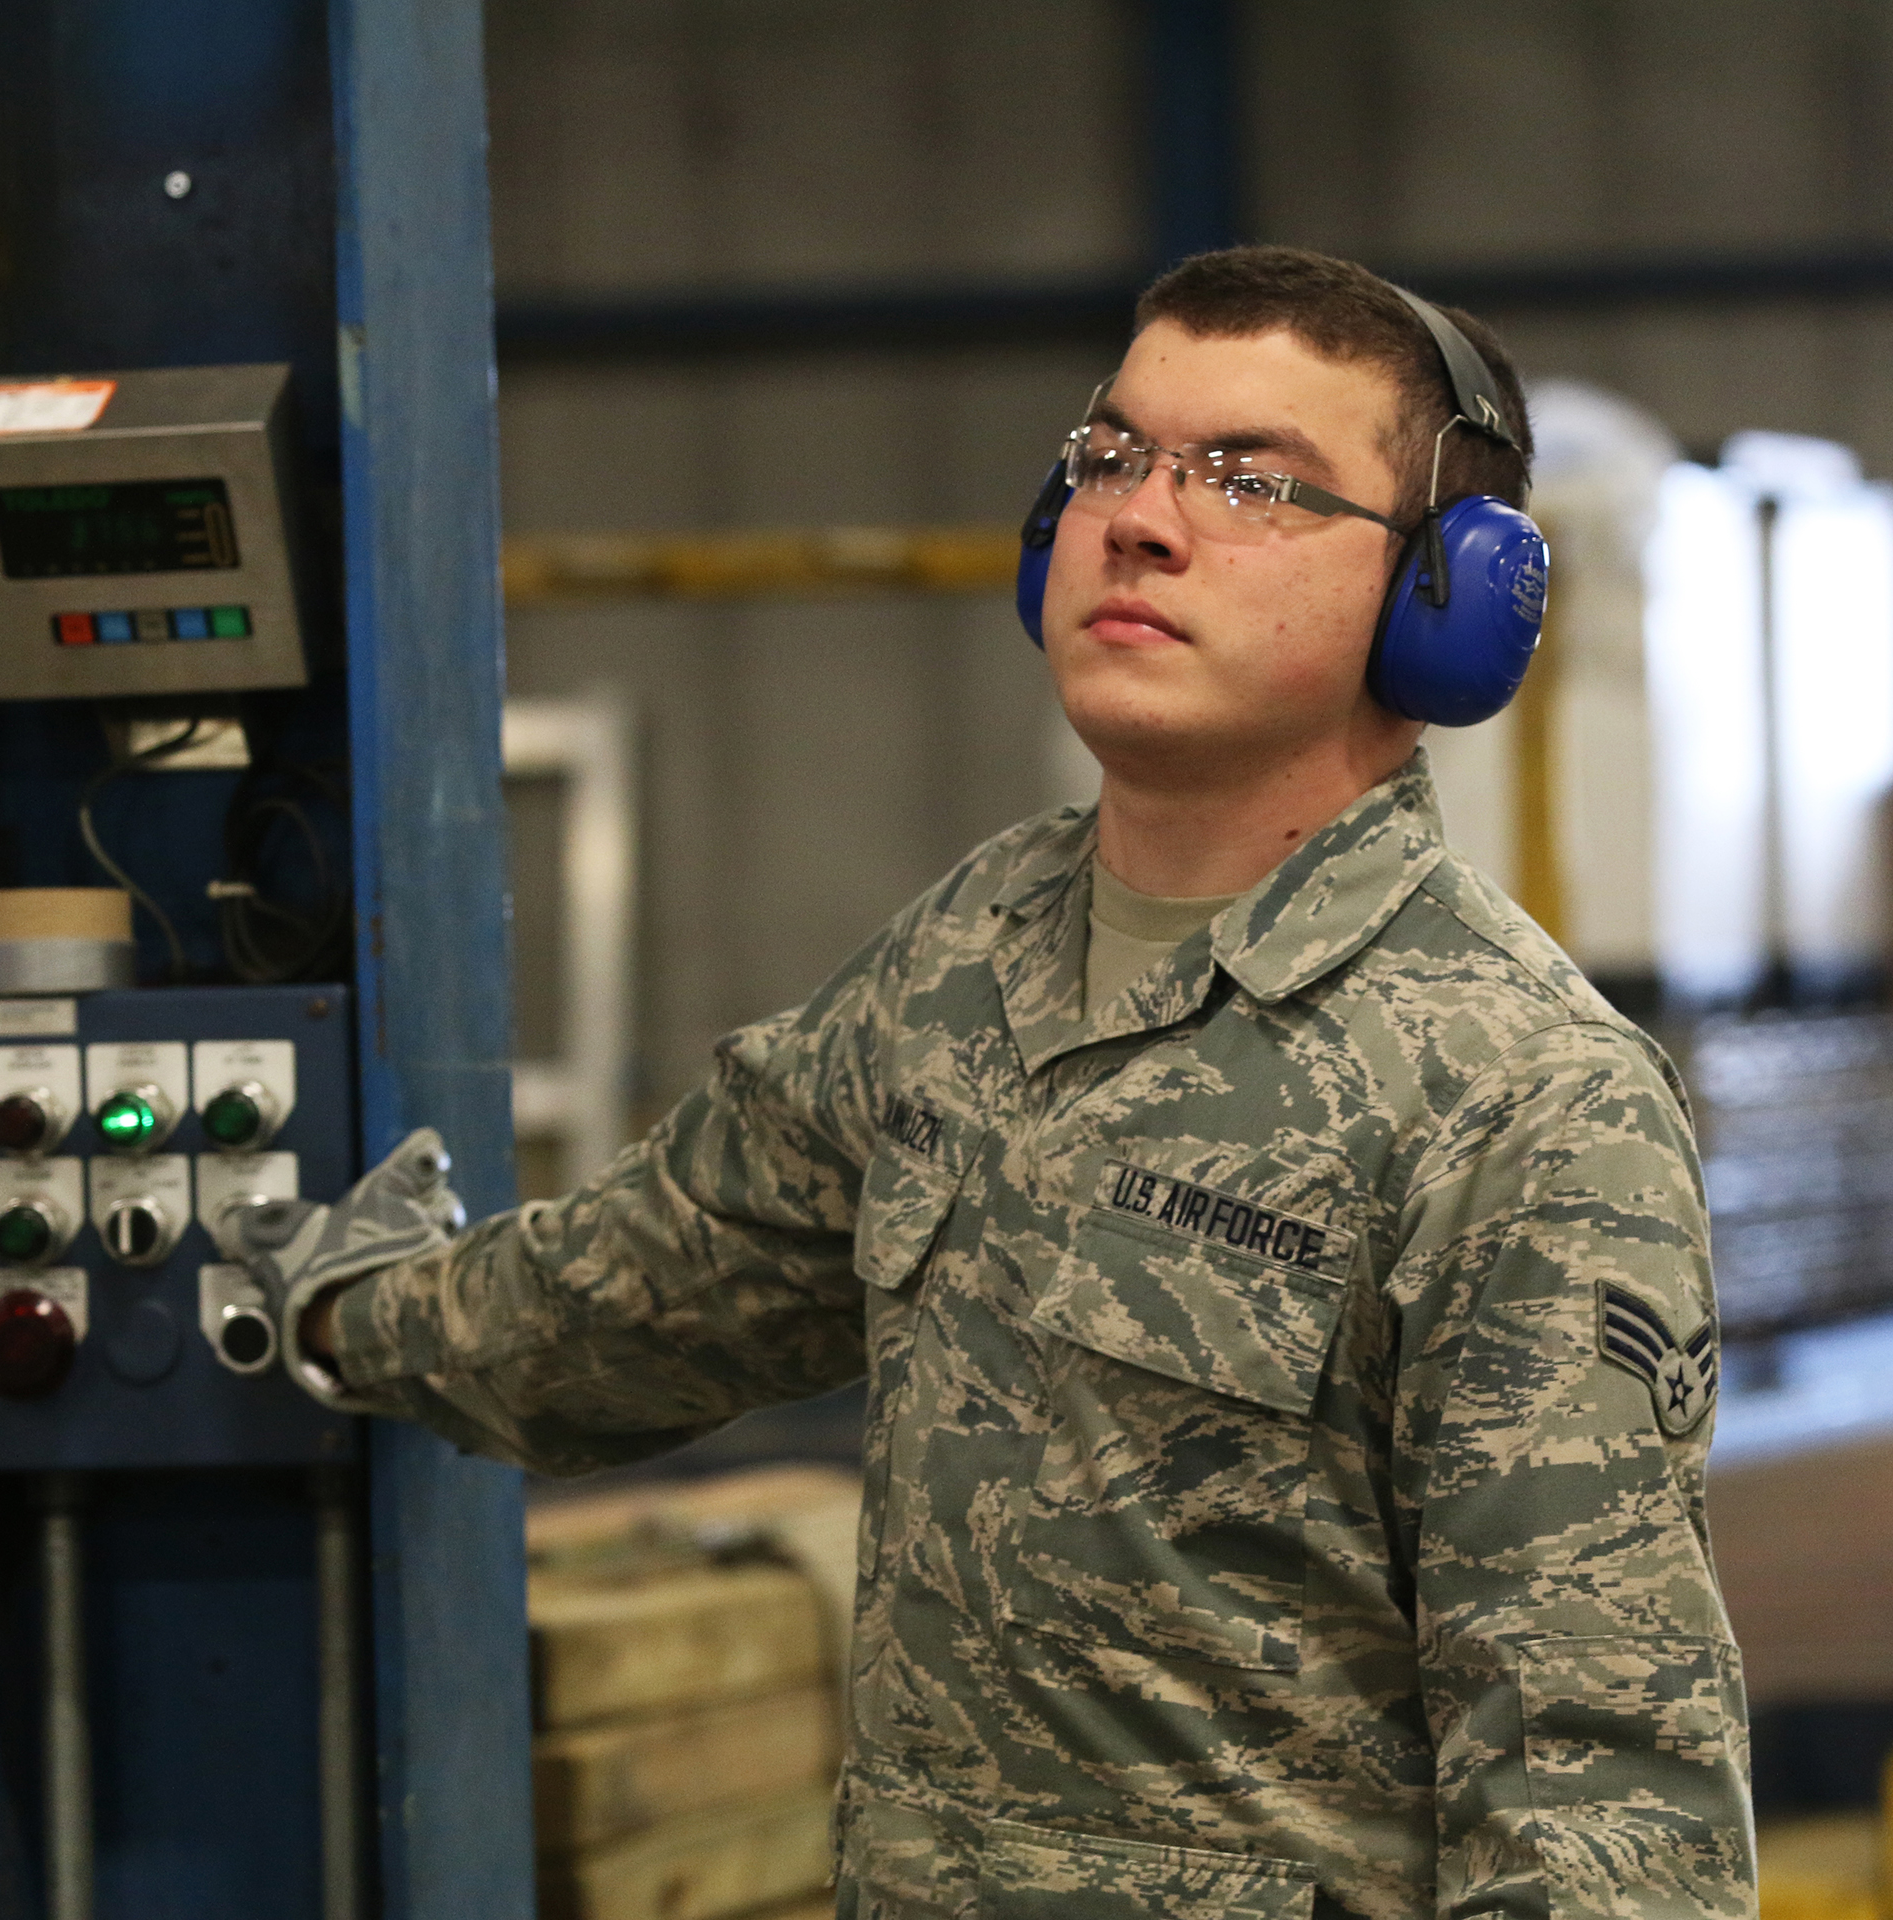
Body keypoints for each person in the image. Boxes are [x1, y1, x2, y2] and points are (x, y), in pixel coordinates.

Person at [230, 246, 1756, 1920]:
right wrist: (321, 1317)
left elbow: (1602, 1794)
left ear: (1448, 600)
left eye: (1252, 480)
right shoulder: (962, 965)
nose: (1143, 518)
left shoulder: (1520, 1101)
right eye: (1111, 457)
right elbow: (637, 1294)